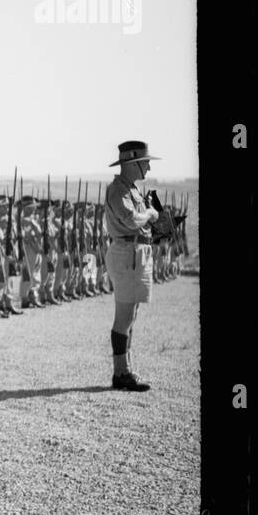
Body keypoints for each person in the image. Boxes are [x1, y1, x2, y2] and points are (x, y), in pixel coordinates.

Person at [103, 141, 161, 392]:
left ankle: (125, 368)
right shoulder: (118, 190)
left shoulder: (132, 190)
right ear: (132, 162)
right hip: (127, 253)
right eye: (145, 162)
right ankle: (120, 373)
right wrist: (149, 214)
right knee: (124, 316)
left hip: (136, 253)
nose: (148, 166)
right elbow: (130, 220)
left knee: (132, 315)